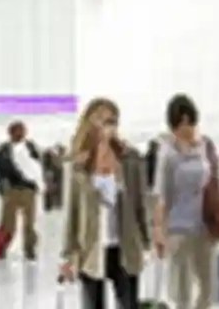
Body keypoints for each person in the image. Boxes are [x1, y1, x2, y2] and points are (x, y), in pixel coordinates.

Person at [61, 98, 149, 308]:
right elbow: (71, 213)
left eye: (112, 121)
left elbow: (139, 205)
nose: (106, 126)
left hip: (124, 247)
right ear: (89, 123)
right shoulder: (77, 166)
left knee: (129, 303)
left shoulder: (130, 159)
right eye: (100, 120)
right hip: (90, 249)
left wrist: (146, 244)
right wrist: (67, 255)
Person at [154, 93, 218, 309]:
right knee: (182, 292)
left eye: (191, 121)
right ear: (174, 124)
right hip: (178, 229)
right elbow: (162, 196)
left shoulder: (203, 148)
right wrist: (159, 233)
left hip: (204, 227)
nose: (188, 127)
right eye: (183, 122)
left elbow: (213, 183)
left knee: (208, 287)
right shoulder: (167, 154)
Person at [0, 121, 43, 261]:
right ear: (10, 133)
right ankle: (2, 248)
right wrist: (13, 174)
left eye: (22, 130)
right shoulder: (3, 149)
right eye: (17, 131)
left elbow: (36, 166)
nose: (20, 134)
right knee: (8, 223)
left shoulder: (31, 147)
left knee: (30, 222)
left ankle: (30, 249)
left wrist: (36, 183)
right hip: (11, 189)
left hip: (28, 190)